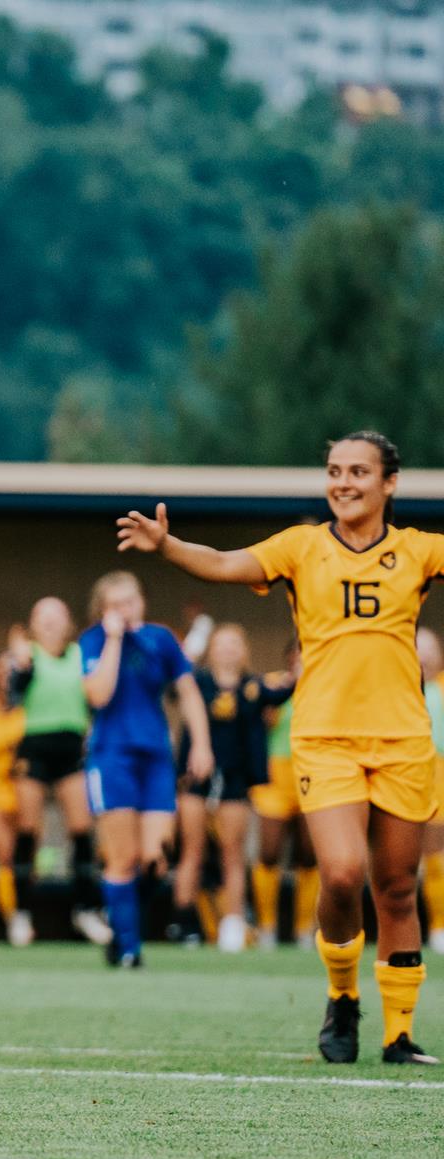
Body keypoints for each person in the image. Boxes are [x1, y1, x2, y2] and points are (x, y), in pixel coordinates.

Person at [117, 430, 438, 1064]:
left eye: (358, 472)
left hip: (404, 739)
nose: (343, 482)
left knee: (397, 888)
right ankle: (342, 999)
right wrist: (167, 546)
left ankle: (399, 1034)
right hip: (323, 738)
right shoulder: (301, 548)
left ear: (389, 484)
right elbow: (223, 563)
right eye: (334, 471)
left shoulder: (421, 553)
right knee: (343, 873)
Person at [77, 571, 212, 968]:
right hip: (111, 756)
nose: (126, 609)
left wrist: (201, 744)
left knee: (156, 857)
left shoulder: (161, 639)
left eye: (132, 600)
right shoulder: (94, 641)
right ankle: (128, 947)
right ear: (103, 610)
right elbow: (98, 695)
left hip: (155, 757)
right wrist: (115, 638)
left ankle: (120, 918)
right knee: (122, 855)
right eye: (116, 604)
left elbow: (187, 691)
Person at [169, 624, 289, 954]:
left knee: (232, 852)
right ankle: (184, 922)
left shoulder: (254, 686)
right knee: (191, 850)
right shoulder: (197, 682)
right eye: (222, 644)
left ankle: (233, 923)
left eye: (235, 643)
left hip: (236, 780)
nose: (228, 650)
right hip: (196, 778)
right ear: (212, 650)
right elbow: (171, 688)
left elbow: (285, 689)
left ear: (244, 650)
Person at [5, 599, 104, 946]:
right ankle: (21, 914)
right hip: (34, 747)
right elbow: (12, 697)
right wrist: (21, 667)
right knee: (28, 830)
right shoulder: (24, 656)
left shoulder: (81, 656)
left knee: (81, 830)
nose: (49, 623)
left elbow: (97, 697)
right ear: (32, 624)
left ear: (68, 623)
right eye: (42, 617)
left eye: (56, 617)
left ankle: (86, 910)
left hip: (72, 748)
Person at [248, 642, 318, 950]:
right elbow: (259, 717)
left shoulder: (325, 685)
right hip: (276, 774)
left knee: (309, 853)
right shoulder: (274, 684)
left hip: (313, 773)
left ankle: (306, 928)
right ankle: (267, 927)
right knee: (270, 851)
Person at [0, 656, 29, 946]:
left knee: (23, 857)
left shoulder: (27, 712)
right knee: (5, 857)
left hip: (21, 790)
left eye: (11, 671)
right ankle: (14, 917)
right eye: (1, 670)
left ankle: (22, 909)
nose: (6, 676)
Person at [422, 629, 444, 955]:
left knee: (437, 852)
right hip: (400, 770)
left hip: (438, 772)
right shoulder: (391, 686)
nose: (423, 656)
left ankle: (439, 927)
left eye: (429, 649)